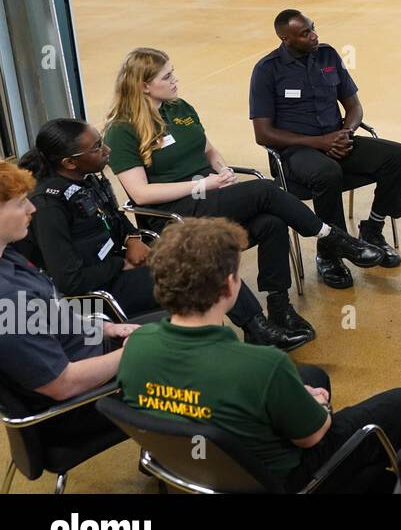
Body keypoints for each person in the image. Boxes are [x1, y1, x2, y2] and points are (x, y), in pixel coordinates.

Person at [104, 48, 385, 350]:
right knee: (264, 190)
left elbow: (208, 150)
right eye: (167, 76)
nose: (175, 80)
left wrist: (222, 170)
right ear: (144, 85)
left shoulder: (179, 107)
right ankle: (333, 238)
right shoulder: (121, 131)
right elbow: (140, 194)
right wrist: (204, 184)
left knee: (271, 222)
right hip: (173, 214)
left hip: (211, 195)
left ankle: (277, 310)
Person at [117, 218, 401, 493]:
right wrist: (318, 406)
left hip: (197, 468)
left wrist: (296, 393)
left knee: (312, 376)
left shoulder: (135, 346)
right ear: (228, 286)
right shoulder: (263, 364)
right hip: (278, 480)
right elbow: (313, 437)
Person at [250, 9, 401, 289]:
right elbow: (263, 133)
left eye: (313, 28)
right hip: (295, 152)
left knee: (396, 155)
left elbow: (354, 106)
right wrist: (319, 143)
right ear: (285, 39)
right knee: (327, 173)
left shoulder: (328, 55)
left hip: (336, 141)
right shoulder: (267, 70)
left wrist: (345, 133)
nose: (314, 36)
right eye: (305, 33)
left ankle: (371, 230)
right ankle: (330, 252)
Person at [0, 160, 141, 453]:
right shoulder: (9, 300)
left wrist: (107, 327)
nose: (32, 210)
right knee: (195, 359)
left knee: (182, 333)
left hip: (86, 354)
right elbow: (61, 384)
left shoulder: (7, 257)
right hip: (75, 409)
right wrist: (135, 353)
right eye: (21, 203)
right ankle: (182, 463)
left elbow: (53, 315)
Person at [16, 119, 159, 317]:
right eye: (97, 148)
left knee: (190, 263)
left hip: (113, 268)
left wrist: (132, 238)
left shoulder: (85, 178)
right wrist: (120, 264)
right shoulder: (48, 206)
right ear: (70, 162)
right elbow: (70, 281)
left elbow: (114, 215)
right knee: (189, 282)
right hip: (92, 297)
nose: (107, 149)